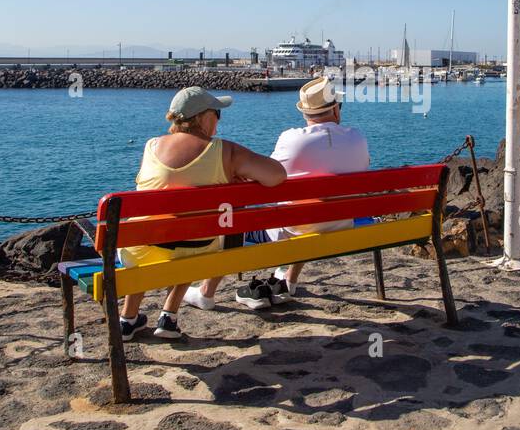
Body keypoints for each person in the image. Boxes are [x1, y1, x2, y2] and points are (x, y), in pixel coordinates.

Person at [118, 86, 285, 340]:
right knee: (191, 234)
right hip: (199, 248)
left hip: (142, 249)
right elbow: (277, 175)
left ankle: (128, 318)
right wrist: (231, 173)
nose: (219, 119)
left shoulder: (151, 146)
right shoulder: (225, 151)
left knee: (152, 230)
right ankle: (168, 316)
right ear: (204, 118)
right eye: (217, 113)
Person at [257, 76, 370, 299]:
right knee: (312, 208)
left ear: (304, 113)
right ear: (336, 109)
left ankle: (206, 291)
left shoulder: (290, 139)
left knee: (300, 213)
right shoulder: (357, 137)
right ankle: (289, 278)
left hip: (296, 228)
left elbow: (267, 177)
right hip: (343, 223)